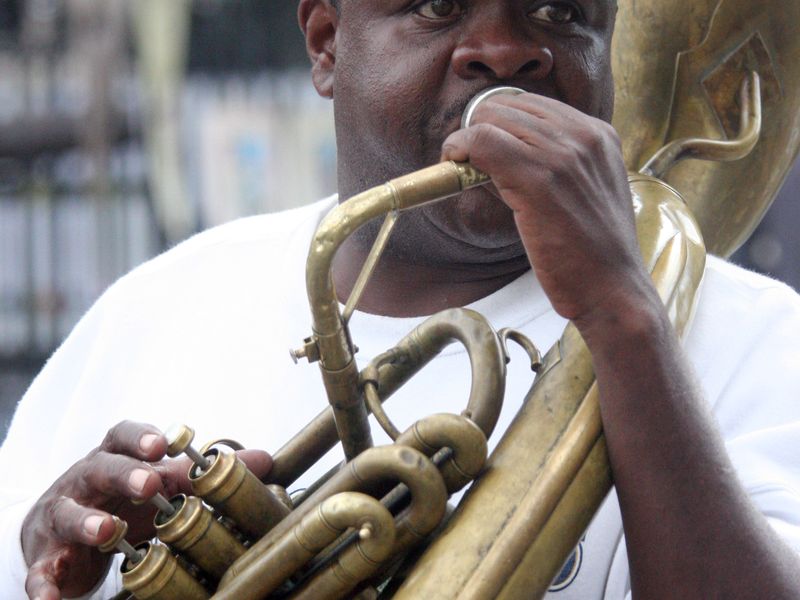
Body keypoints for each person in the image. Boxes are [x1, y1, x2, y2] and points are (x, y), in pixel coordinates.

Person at [2, 0, 800, 598]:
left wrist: (624, 318)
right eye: (434, 6)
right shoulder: (158, 309)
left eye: (559, 11)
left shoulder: (757, 336)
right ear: (326, 41)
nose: (505, 51)